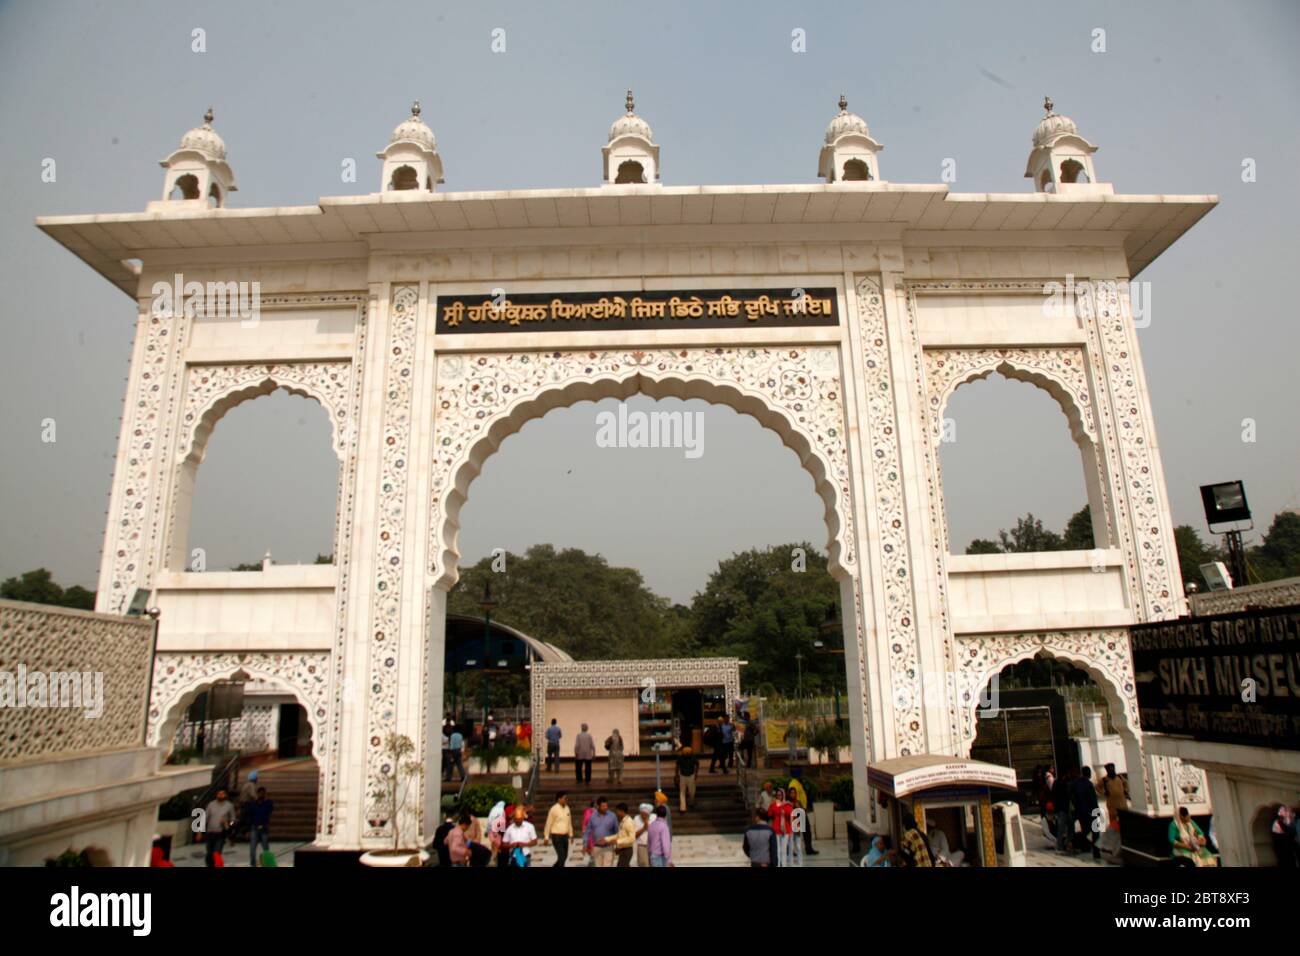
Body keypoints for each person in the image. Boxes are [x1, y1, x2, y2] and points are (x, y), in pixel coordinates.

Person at [1071, 766, 1102, 860]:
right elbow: (1093, 800)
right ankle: (1096, 851)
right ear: (1088, 773)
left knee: (1085, 830)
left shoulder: (1076, 783)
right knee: (1095, 832)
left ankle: (1086, 847)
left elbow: (1074, 798)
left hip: (1081, 812)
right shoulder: (1088, 784)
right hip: (1090, 812)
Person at [203, 788, 236, 867]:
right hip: (210, 832)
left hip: (221, 832)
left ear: (225, 795)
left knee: (217, 852)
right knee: (209, 853)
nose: (220, 795)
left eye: (222, 794)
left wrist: (228, 823)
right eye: (219, 794)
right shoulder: (211, 804)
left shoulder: (229, 806)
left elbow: (233, 820)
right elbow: (205, 818)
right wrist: (199, 831)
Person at [788, 769, 818, 856]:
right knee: (801, 831)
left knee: (802, 831)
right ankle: (804, 849)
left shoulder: (797, 783)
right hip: (798, 810)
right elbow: (792, 796)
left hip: (800, 809)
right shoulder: (793, 783)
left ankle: (806, 848)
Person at [584, 797, 619, 867]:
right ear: (598, 806)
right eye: (603, 806)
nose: (605, 808)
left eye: (606, 806)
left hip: (609, 847)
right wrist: (585, 844)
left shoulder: (612, 816)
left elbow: (617, 831)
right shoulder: (593, 817)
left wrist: (618, 846)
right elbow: (587, 831)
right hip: (597, 847)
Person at [543, 791, 573, 867]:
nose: (566, 800)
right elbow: (548, 823)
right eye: (565, 798)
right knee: (562, 857)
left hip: (565, 836)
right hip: (556, 837)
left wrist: (571, 834)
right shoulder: (553, 809)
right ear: (559, 799)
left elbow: (569, 822)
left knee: (565, 856)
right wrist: (546, 837)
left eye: (567, 798)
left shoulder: (567, 808)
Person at [768, 787, 794, 866]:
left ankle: (784, 865)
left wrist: (792, 829)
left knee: (783, 850)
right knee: (777, 849)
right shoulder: (773, 804)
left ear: (783, 795)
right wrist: (771, 805)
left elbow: (791, 816)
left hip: (785, 829)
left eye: (780, 795)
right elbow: (769, 814)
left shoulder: (787, 805)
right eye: (778, 795)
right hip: (776, 829)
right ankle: (778, 865)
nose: (779, 796)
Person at [247, 787, 274, 867]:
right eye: (260, 793)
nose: (261, 795)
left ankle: (267, 862)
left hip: (264, 827)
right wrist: (248, 829)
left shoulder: (268, 803)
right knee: (252, 848)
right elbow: (250, 816)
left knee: (265, 847)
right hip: (254, 827)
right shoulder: (253, 804)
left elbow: (270, 810)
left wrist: (266, 800)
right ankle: (253, 863)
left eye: (263, 793)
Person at [1051, 767, 1073, 852]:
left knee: (1062, 828)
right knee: (1068, 827)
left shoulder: (1056, 782)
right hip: (1065, 808)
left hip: (1060, 808)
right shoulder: (1065, 783)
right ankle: (1065, 844)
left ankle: (1061, 844)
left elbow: (1053, 795)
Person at [609, 802, 637, 867]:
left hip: (627, 850)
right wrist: (618, 847)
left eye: (617, 811)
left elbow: (632, 838)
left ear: (621, 811)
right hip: (623, 849)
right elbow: (621, 835)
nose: (617, 813)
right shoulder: (623, 821)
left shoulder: (629, 822)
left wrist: (618, 842)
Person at [675, 746, 698, 813]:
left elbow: (677, 767)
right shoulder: (692, 757)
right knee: (690, 791)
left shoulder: (681, 758)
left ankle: (683, 807)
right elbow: (697, 765)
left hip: (684, 775)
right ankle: (687, 805)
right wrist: (696, 773)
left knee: (684, 792)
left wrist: (676, 775)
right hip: (688, 775)